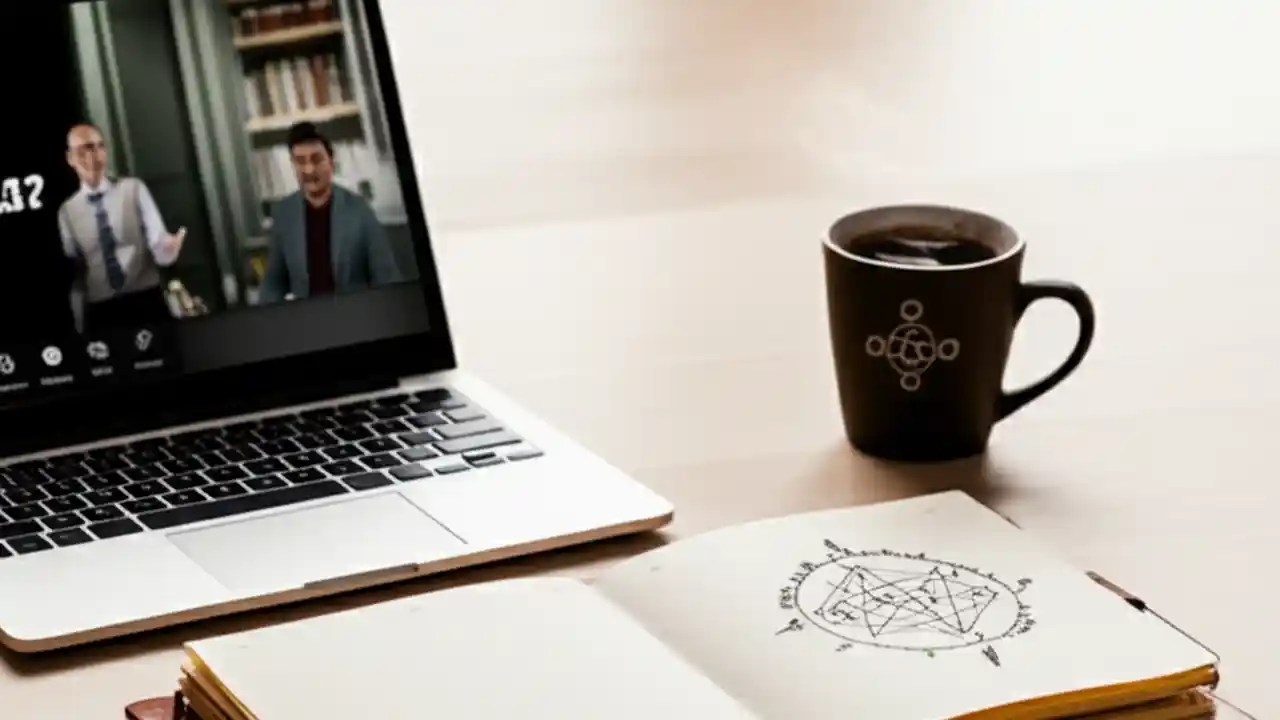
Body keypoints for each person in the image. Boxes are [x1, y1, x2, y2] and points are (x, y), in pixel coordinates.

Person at [57, 123, 185, 333]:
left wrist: (168, 250)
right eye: (84, 150)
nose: (94, 156)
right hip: (101, 311)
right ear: (70, 158)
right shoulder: (67, 212)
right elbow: (75, 270)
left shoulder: (133, 189)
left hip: (145, 299)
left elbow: (159, 245)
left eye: (99, 147)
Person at [259, 122, 402, 304]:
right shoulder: (284, 214)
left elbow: (387, 278)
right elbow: (273, 283)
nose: (309, 170)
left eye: (317, 159)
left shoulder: (359, 210)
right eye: (300, 161)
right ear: (292, 165)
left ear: (331, 161)